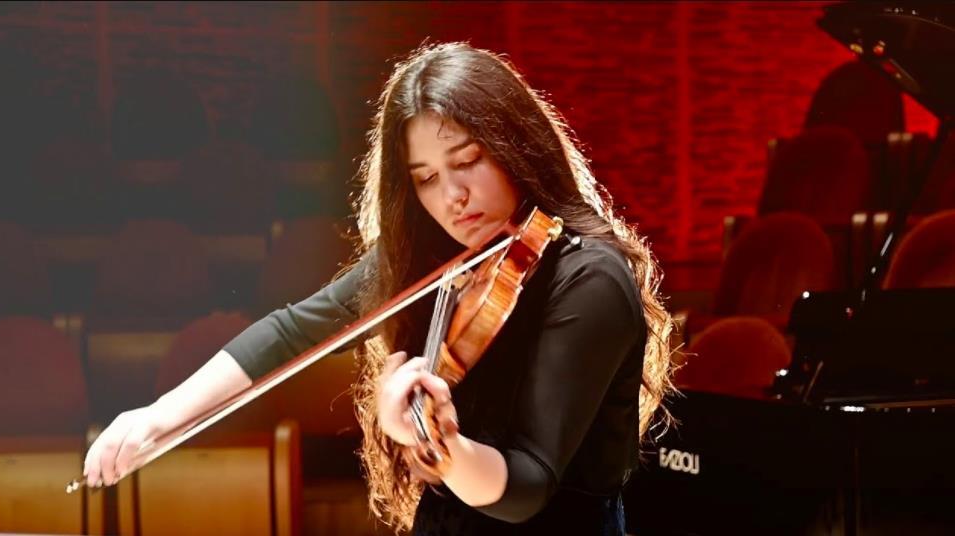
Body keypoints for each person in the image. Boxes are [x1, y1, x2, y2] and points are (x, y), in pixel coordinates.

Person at [83, 42, 675, 535]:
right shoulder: (436, 260)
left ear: (517, 144)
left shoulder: (590, 278)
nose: (452, 197)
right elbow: (292, 331)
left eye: (467, 160)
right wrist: (160, 417)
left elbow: (526, 488)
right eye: (426, 178)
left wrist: (435, 442)